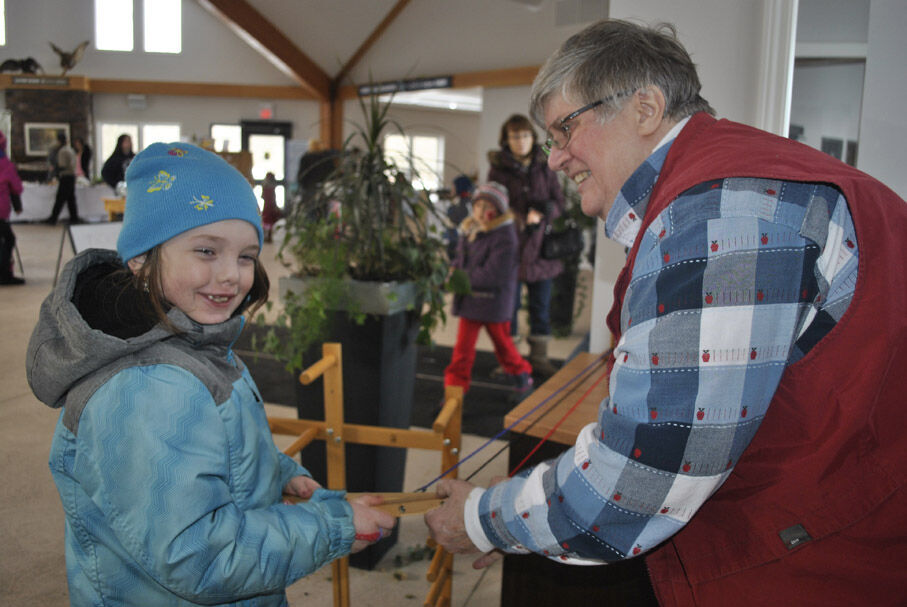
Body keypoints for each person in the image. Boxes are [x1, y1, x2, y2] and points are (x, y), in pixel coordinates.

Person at [425, 19, 907, 606]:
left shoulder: (719, 219)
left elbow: (630, 488)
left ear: (646, 108)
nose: (555, 159)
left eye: (564, 129)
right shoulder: (721, 189)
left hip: (833, 558)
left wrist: (481, 518)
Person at [26, 142, 396, 606]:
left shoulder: (192, 336)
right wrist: (333, 526)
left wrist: (270, 472)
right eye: (206, 250)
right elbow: (198, 557)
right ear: (141, 257)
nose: (230, 276)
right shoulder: (149, 387)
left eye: (245, 256)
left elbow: (205, 445)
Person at [488, 113, 565, 376]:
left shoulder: (546, 164)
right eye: (514, 136)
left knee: (540, 307)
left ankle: (539, 359)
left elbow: (560, 202)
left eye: (524, 135)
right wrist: (520, 218)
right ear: (506, 140)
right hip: (509, 248)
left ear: (532, 137)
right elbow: (491, 206)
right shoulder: (498, 169)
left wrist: (545, 212)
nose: (520, 141)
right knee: (507, 307)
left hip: (541, 250)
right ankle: (508, 361)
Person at [444, 182, 533, 402]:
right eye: (478, 206)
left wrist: (459, 280)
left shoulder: (505, 237)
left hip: (494, 302)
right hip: (471, 302)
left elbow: (493, 275)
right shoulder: (469, 230)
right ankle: (454, 393)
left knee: (503, 347)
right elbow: (460, 258)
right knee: (462, 352)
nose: (482, 212)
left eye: (488, 207)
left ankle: (521, 374)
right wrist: (452, 270)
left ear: (499, 211)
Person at [0, 129, 25, 285]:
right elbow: (16, 187)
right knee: (8, 239)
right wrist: (17, 205)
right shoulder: (5, 164)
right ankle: (4, 274)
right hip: (0, 210)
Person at [44, 132, 80, 225]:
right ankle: (74, 217)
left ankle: (53, 218)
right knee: (70, 199)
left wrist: (54, 169)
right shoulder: (70, 149)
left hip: (66, 177)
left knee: (60, 198)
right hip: (72, 177)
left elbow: (63, 165)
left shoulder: (63, 151)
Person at [260, 171, 281, 243]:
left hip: (267, 206)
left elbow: (262, 196)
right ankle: (269, 236)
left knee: (265, 222)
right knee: (270, 223)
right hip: (271, 206)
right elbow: (273, 198)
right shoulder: (273, 187)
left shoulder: (265, 186)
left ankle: (265, 236)